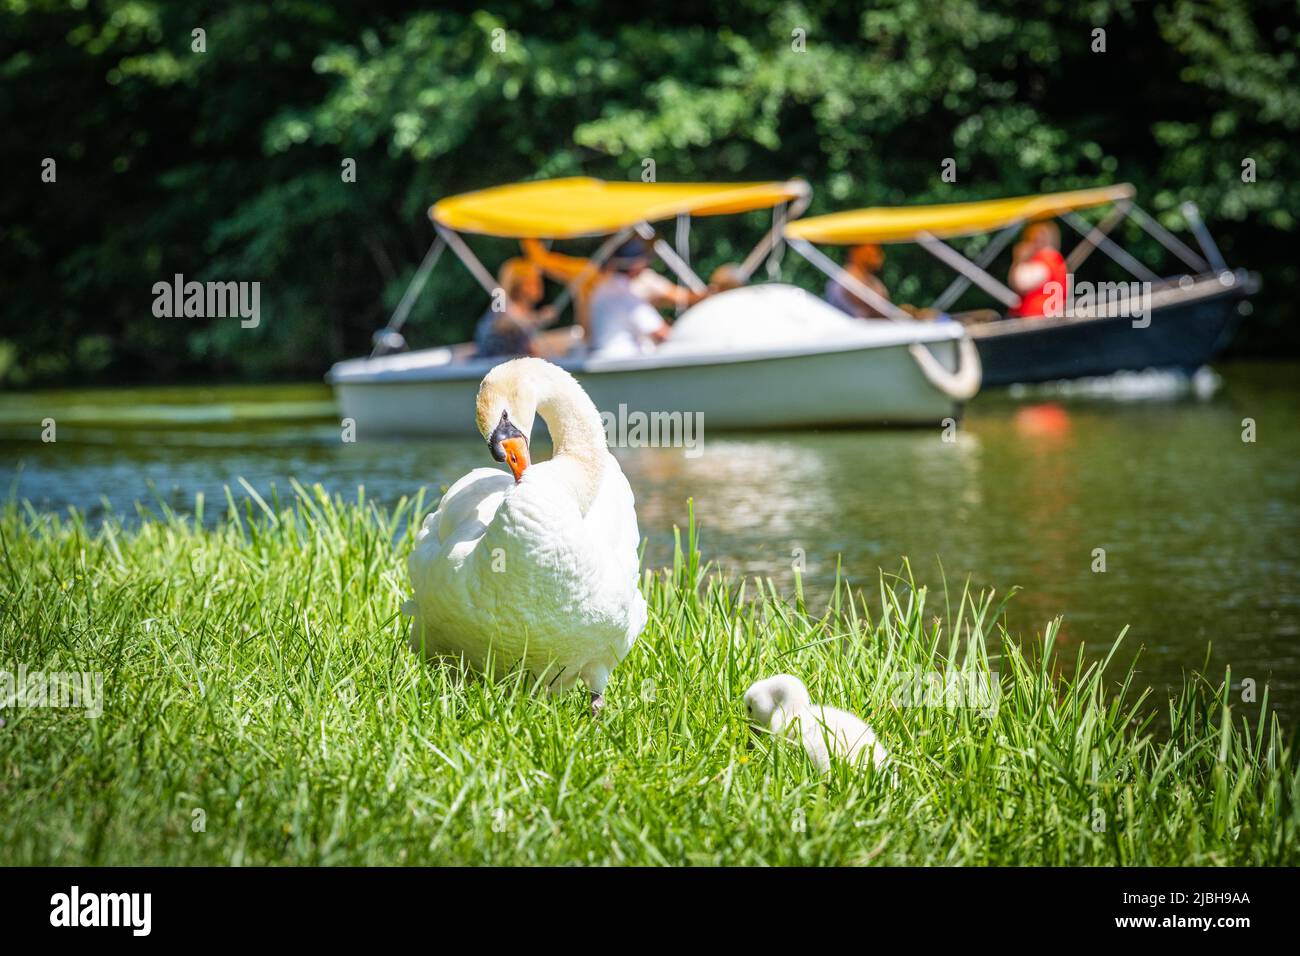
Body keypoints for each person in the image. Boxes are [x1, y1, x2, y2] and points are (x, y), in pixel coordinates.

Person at [587, 238, 703, 356]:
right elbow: (662, 332)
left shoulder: (603, 288)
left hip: (604, 357)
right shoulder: (626, 295)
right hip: (622, 359)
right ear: (636, 265)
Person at [473, 258, 555, 357]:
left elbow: (527, 345)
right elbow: (507, 323)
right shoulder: (502, 308)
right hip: (493, 364)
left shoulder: (524, 311)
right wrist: (539, 317)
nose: (539, 286)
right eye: (532, 283)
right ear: (517, 287)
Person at [1008, 221, 1067, 318]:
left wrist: (1020, 260)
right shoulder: (1055, 259)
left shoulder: (1046, 259)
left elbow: (1021, 283)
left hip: (1037, 318)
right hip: (1046, 316)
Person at [825, 242, 891, 318]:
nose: (877, 254)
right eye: (873, 248)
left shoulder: (877, 284)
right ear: (855, 252)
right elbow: (870, 313)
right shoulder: (843, 281)